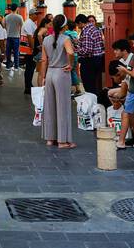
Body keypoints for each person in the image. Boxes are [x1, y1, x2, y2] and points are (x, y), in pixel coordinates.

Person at [39, 14, 76, 149]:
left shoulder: (46, 40)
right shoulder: (66, 39)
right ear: (65, 26)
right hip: (62, 73)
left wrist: (43, 77)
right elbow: (70, 53)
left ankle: (50, 139)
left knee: (49, 106)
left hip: (50, 73)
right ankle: (63, 141)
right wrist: (70, 64)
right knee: (63, 106)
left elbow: (44, 60)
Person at [76, 14, 105, 100]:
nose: (78, 27)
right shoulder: (94, 29)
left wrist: (76, 49)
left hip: (90, 60)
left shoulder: (86, 31)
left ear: (81, 23)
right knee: (96, 83)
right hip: (98, 58)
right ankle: (96, 100)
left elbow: (87, 50)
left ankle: (92, 102)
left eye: (78, 25)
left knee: (89, 84)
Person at [3, 3, 23, 73]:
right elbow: (21, 26)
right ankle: (16, 67)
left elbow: (4, 25)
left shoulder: (6, 17)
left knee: (8, 52)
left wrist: (8, 29)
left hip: (8, 36)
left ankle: (8, 66)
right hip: (16, 37)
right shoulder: (19, 17)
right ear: (17, 8)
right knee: (16, 52)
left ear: (10, 8)